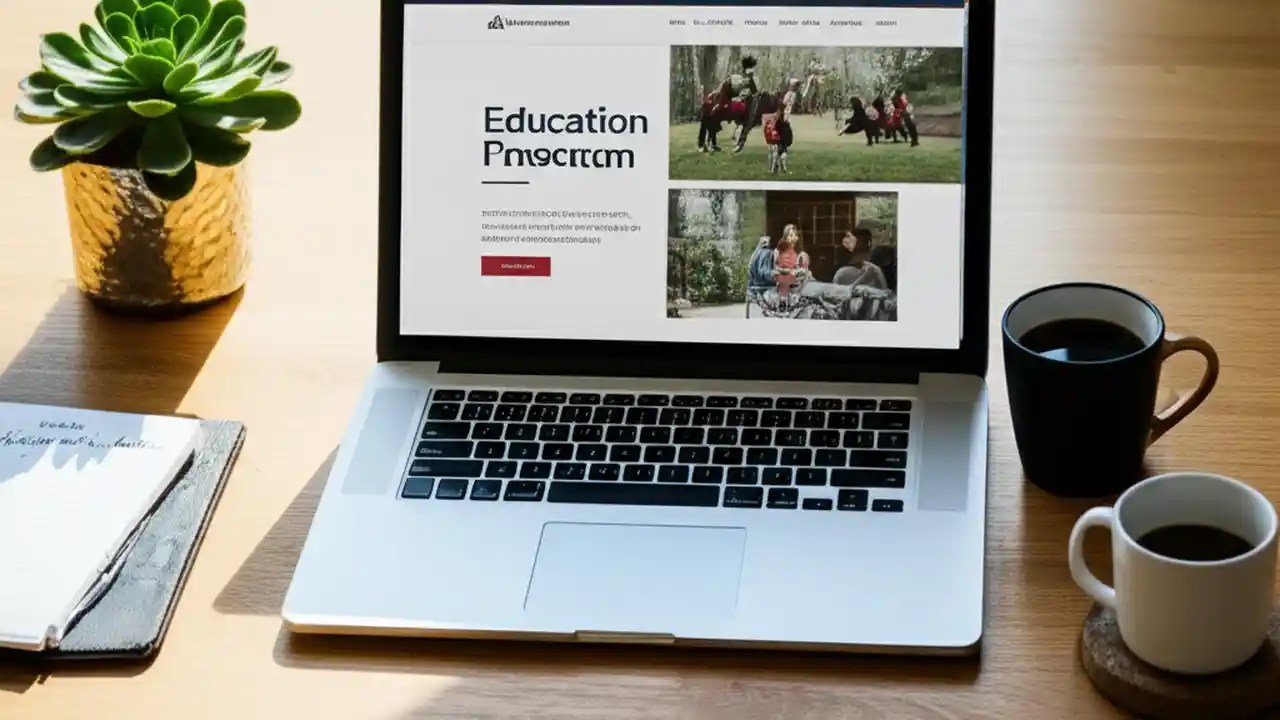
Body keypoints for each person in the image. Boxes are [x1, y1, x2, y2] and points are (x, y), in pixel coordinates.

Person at [772, 224, 809, 307]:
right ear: (785, 237)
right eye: (789, 235)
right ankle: (783, 299)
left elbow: (801, 267)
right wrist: (783, 270)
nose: (791, 237)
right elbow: (775, 266)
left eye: (794, 235)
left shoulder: (798, 252)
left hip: (795, 274)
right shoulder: (779, 251)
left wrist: (798, 270)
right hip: (782, 274)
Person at [771, 78, 801, 174]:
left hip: (781, 120)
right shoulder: (792, 94)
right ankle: (781, 167)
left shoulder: (789, 94)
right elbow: (784, 106)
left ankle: (775, 167)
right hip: (785, 121)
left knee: (778, 144)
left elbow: (782, 105)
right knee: (784, 145)